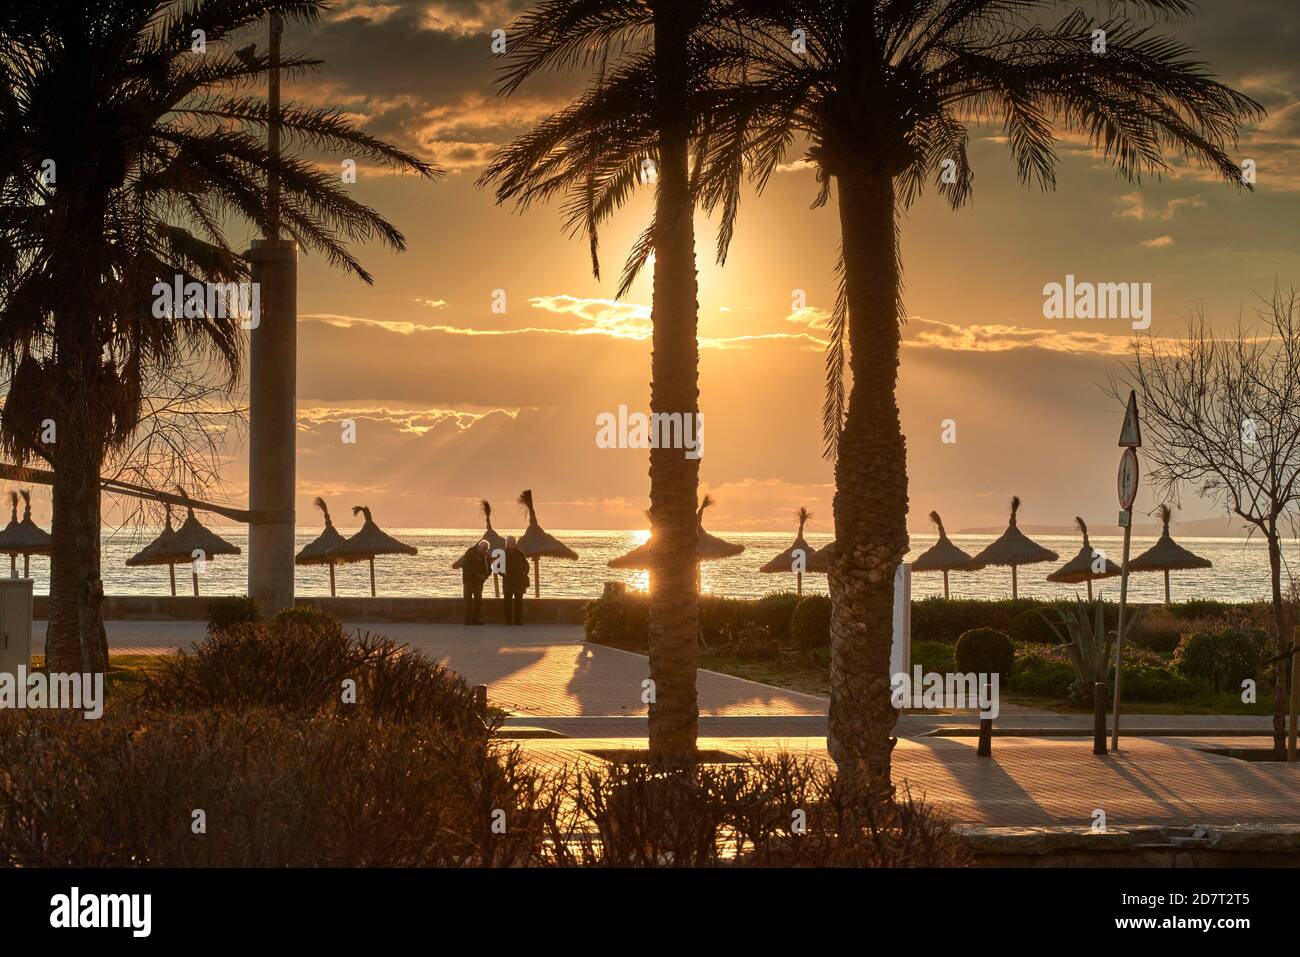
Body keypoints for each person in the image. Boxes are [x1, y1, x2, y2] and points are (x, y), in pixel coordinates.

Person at [460, 539, 491, 625]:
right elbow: (466, 567)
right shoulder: (469, 554)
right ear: (478, 547)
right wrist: (477, 575)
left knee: (478, 601)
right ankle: (467, 621)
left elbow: (489, 569)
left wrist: (485, 576)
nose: (484, 550)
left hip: (479, 582)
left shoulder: (485, 556)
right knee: (468, 601)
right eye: (483, 548)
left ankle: (476, 620)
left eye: (486, 549)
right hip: (468, 581)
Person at [502, 535, 529, 625]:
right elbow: (497, 567)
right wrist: (503, 574)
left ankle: (518, 621)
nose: (513, 543)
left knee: (519, 602)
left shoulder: (520, 553)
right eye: (511, 542)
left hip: (519, 582)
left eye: (514, 542)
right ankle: (508, 621)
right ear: (507, 543)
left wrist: (524, 574)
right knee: (507, 602)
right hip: (508, 581)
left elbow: (526, 566)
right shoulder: (503, 554)